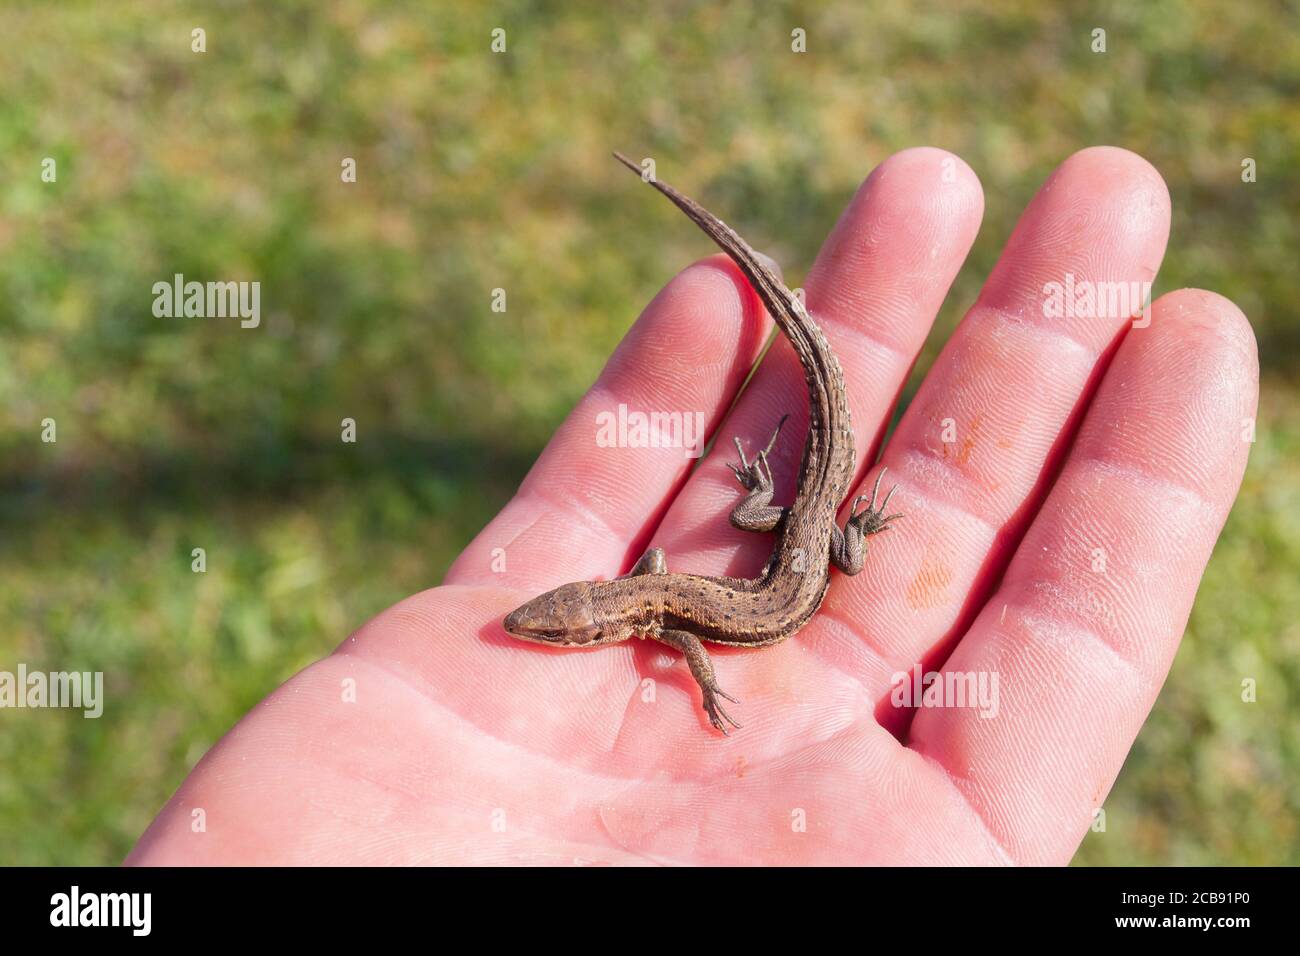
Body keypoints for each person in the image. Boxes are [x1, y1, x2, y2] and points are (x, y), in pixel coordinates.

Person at [128, 147, 1257, 865]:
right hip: (794, 562)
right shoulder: (651, 599)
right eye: (559, 618)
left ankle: (813, 500)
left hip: (805, 565)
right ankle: (804, 495)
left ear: (603, 613)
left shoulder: (659, 613)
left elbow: (685, 634)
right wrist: (758, 554)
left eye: (558, 618)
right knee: (798, 502)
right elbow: (685, 623)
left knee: (808, 519)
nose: (549, 623)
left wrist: (713, 667)